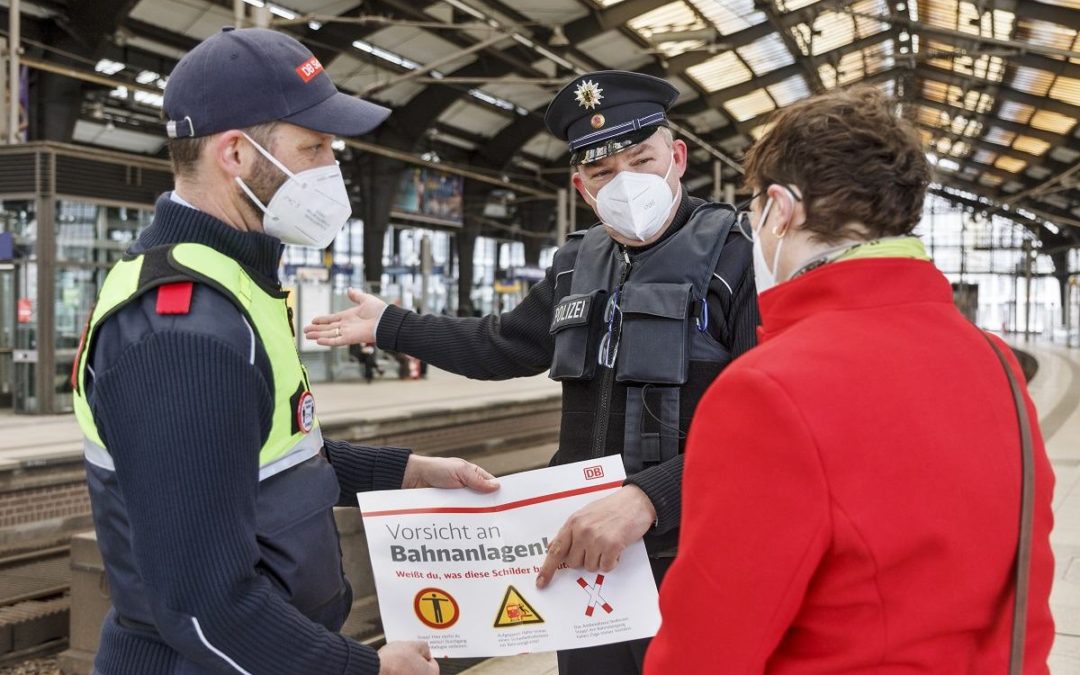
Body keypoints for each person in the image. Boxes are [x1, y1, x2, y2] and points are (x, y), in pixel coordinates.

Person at [72, 27, 500, 675]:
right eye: (314, 147)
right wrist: (369, 670)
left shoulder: (237, 285)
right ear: (236, 155)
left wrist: (407, 471)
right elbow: (204, 606)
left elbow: (261, 456)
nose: (331, 169)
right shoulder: (182, 329)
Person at [305, 70, 759, 674]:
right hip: (586, 558)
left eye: (641, 159)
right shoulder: (576, 262)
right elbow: (503, 346)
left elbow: (764, 428)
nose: (624, 181)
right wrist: (394, 326)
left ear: (676, 157)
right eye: (601, 172)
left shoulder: (739, 256)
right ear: (582, 186)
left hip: (694, 555)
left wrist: (651, 499)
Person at [643, 85, 1055, 673]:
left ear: (781, 210)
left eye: (755, 211)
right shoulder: (996, 364)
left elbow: (707, 648)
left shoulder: (767, 390)